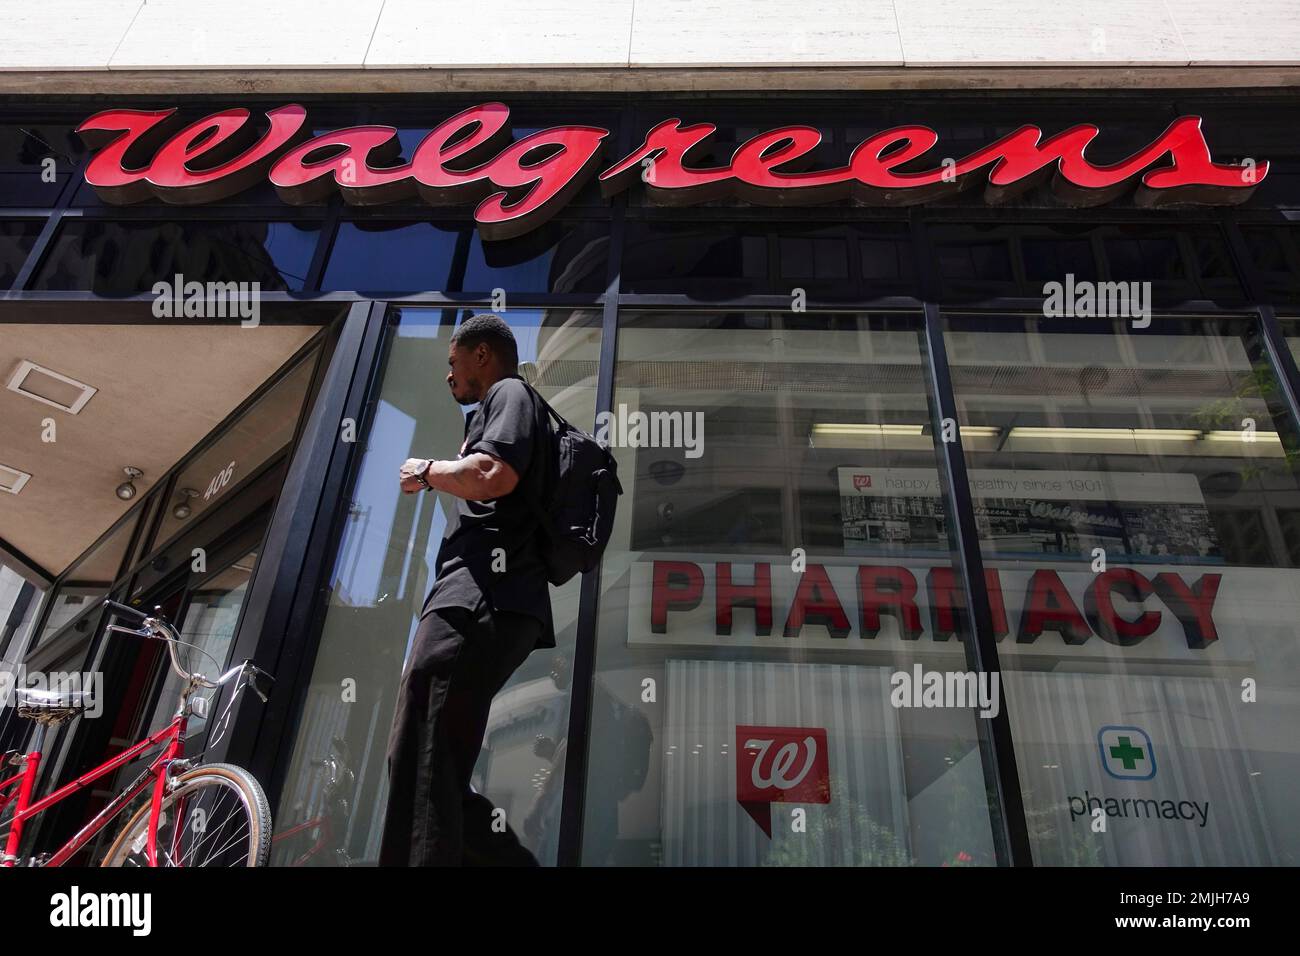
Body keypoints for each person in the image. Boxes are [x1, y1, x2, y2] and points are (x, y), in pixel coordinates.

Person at [378, 313, 554, 867]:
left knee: (423, 745)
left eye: (453, 362)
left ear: (482, 355)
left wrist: (428, 469)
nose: (447, 375)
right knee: (431, 759)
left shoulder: (508, 393)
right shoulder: (500, 406)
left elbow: (491, 475)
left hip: (478, 593)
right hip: (492, 598)